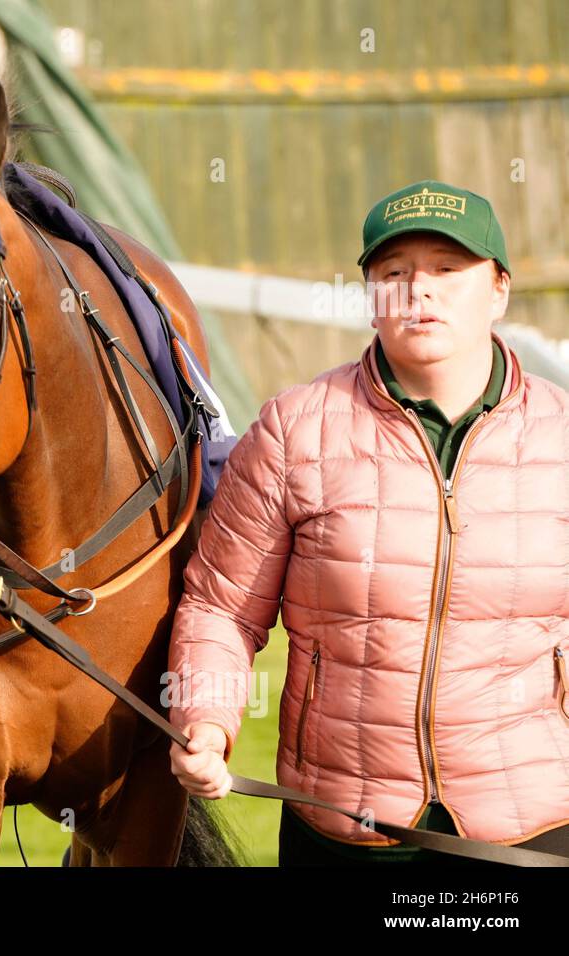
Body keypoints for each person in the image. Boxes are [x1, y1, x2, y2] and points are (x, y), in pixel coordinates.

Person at [166, 179, 569, 865]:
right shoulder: (295, 430)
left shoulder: (562, 436)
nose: (420, 291)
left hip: (529, 828)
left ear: (498, 289)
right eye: (395, 273)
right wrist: (204, 721)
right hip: (344, 827)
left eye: (448, 269)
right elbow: (221, 609)